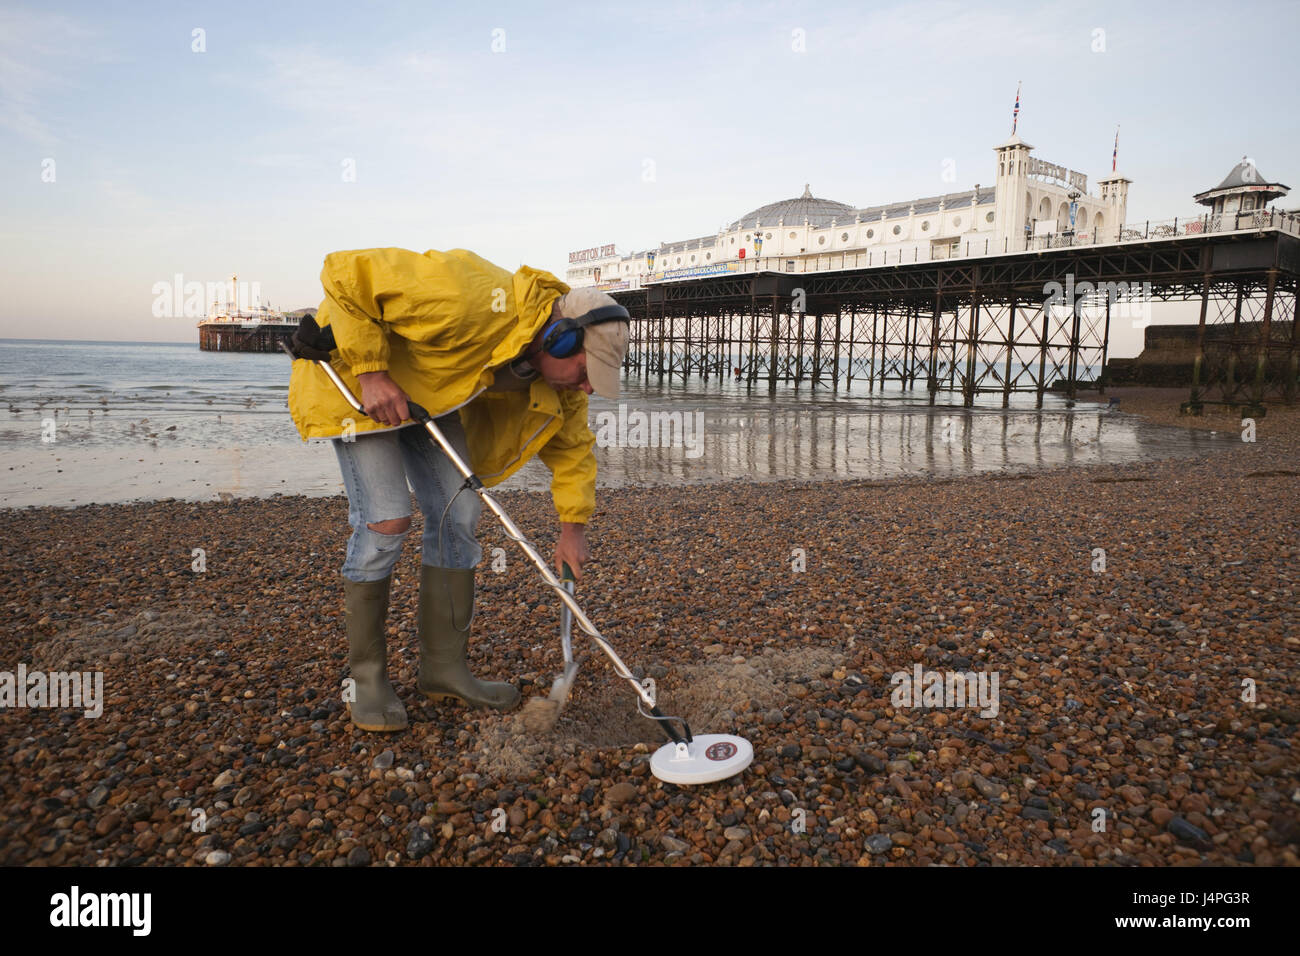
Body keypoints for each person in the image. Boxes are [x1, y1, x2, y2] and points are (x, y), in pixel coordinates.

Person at [287, 247, 629, 733]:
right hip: (356, 382)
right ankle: (366, 682)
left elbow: (573, 450)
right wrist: (373, 372)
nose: (588, 389)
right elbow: (344, 273)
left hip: (432, 396)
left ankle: (443, 670)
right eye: (586, 373)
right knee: (387, 520)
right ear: (557, 340)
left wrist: (572, 529)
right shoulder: (465, 293)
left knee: (459, 514)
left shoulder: (558, 387)